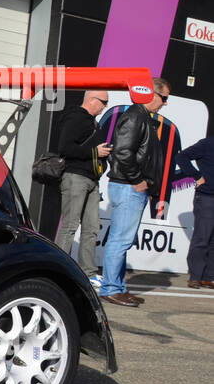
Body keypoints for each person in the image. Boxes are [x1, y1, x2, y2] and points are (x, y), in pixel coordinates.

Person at [98, 78, 171, 307]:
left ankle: (118, 287)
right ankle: (111, 288)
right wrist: (138, 180)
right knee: (120, 241)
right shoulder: (136, 117)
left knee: (123, 241)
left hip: (130, 186)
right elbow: (122, 152)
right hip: (129, 186)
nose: (165, 104)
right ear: (151, 94)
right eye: (164, 98)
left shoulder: (141, 117)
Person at [53, 91, 112, 285]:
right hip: (75, 177)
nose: (105, 106)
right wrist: (95, 151)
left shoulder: (93, 122)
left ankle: (88, 272)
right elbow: (65, 148)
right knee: (70, 225)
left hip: (92, 179)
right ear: (92, 100)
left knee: (92, 227)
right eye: (103, 102)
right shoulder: (75, 118)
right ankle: (57, 268)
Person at [177, 134, 213, 289]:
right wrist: (197, 175)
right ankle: (196, 276)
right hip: (206, 197)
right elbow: (181, 157)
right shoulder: (207, 144)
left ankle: (209, 277)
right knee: (202, 237)